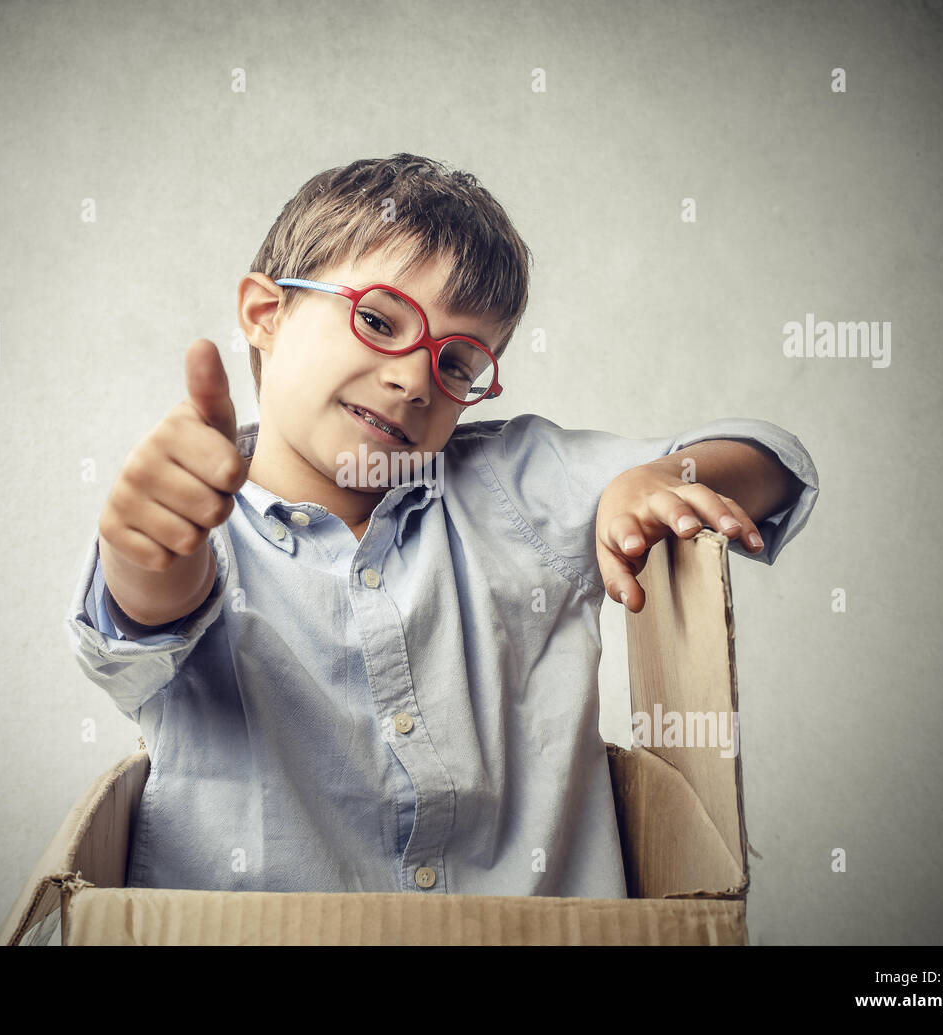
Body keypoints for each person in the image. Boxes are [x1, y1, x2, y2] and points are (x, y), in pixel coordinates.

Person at [65, 153, 818, 896]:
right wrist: (145, 552)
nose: (415, 379)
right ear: (268, 314)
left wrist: (658, 478)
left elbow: (774, 461)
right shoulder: (196, 528)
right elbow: (153, 608)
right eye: (379, 319)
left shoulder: (518, 485)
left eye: (457, 363)